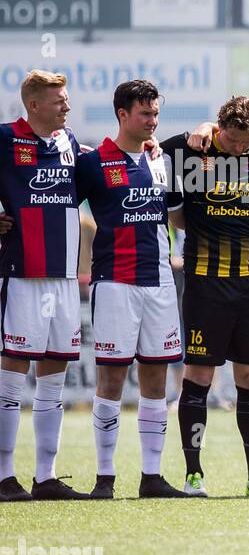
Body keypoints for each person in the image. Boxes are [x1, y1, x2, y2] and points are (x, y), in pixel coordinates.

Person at [160, 95, 249, 497]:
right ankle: (193, 474)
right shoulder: (188, 147)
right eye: (232, 140)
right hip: (203, 282)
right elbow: (150, 150)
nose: (238, 148)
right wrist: (200, 127)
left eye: (245, 141)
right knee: (198, 376)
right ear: (219, 128)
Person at [76, 80, 187, 499]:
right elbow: (51, 200)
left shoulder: (163, 161)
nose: (152, 121)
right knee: (111, 380)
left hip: (159, 283)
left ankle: (151, 476)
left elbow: (176, 219)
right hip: (115, 283)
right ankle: (105, 478)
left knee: (156, 378)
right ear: (123, 114)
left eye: (156, 114)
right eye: (145, 114)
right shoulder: (94, 162)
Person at [0, 70, 92, 500]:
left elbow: (108, 163)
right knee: (12, 378)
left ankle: (45, 476)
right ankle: (3, 476)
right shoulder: (4, 139)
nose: (67, 106)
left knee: (54, 378)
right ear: (34, 105)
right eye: (59, 101)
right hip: (21, 276)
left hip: (64, 280)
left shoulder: (69, 144)